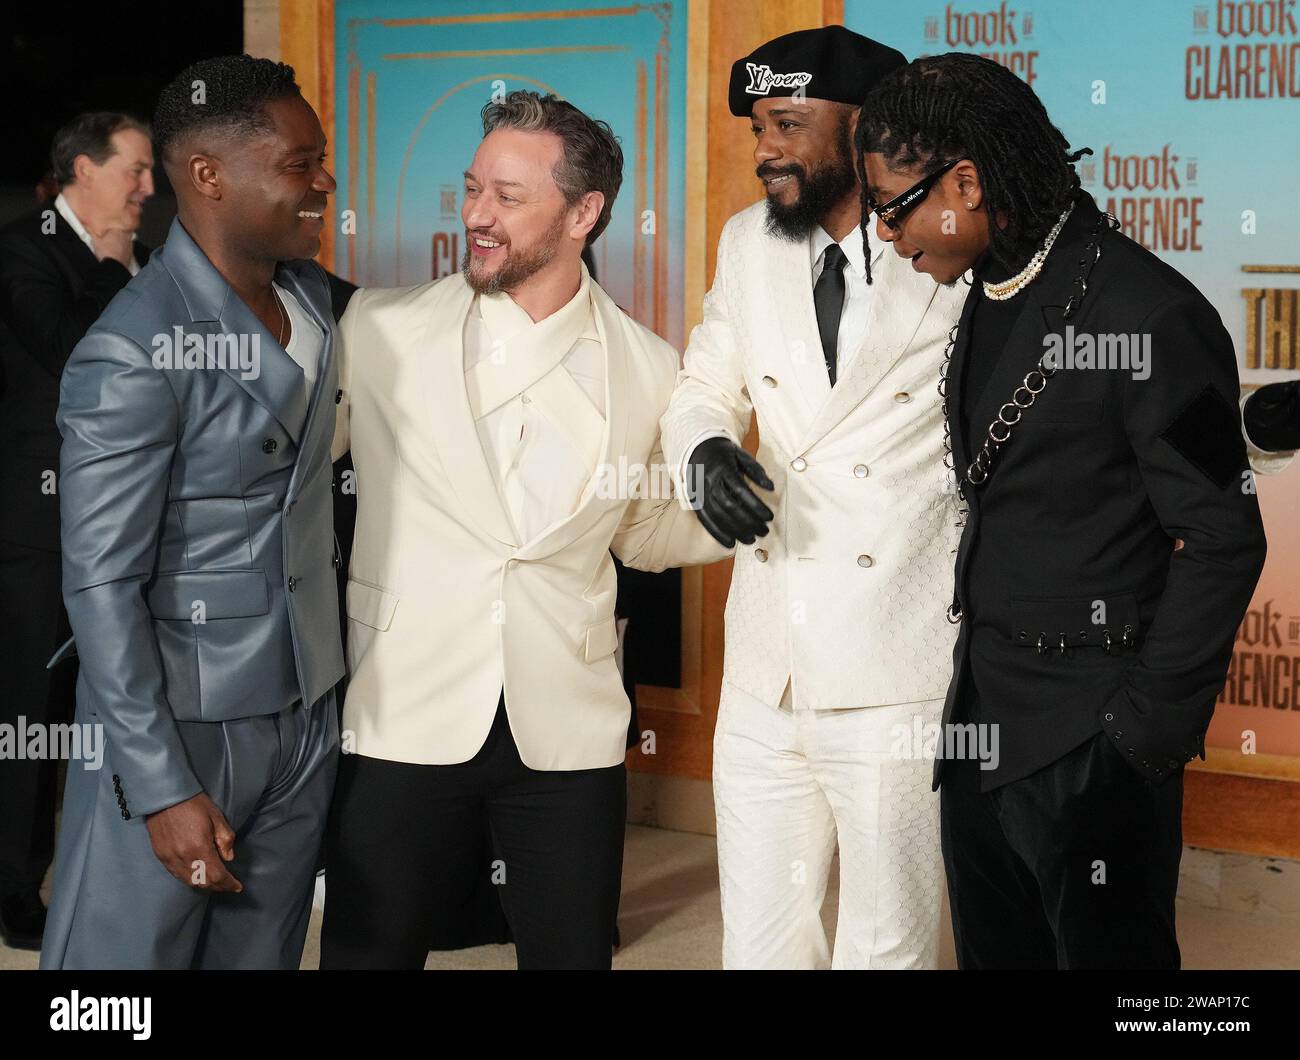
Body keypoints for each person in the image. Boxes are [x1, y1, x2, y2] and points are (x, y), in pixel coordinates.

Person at [858, 52, 1268, 969]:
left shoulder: (1151, 313)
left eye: (894, 207)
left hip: (1095, 736)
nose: (886, 236)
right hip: (981, 723)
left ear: (965, 181)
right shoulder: (988, 289)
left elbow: (1223, 533)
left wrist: (1141, 739)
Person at [320, 90, 727, 970]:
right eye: (471, 190)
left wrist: (756, 512)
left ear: (584, 213)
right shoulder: (378, 328)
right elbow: (289, 476)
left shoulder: (651, 368)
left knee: (573, 956)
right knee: (370, 954)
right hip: (402, 706)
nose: (475, 216)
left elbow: (645, 534)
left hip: (568, 723)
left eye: (506, 198)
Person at [659, 26, 968, 969]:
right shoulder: (749, 242)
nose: (766, 151)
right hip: (766, 668)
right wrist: (706, 447)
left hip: (900, 665)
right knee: (758, 943)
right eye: (759, 126)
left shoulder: (954, 250)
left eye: (788, 123)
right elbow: (704, 383)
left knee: (887, 947)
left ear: (866, 126)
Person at [40, 54, 344, 969]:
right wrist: (160, 784)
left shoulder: (316, 300)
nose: (324, 182)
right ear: (208, 174)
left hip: (305, 712)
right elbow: (99, 586)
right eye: (300, 163)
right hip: (178, 724)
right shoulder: (130, 349)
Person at [0, 111, 153, 950]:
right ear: (81, 170)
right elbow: (72, 354)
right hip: (38, 528)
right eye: (134, 170)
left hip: (124, 526)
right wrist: (108, 270)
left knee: (105, 712)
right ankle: (15, 891)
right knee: (30, 713)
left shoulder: (139, 261)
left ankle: (97, 877)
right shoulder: (25, 251)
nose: (147, 188)